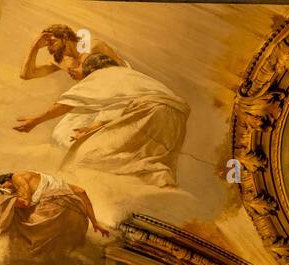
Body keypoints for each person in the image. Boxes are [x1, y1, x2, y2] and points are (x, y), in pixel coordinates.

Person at [13, 55, 189, 186]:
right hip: (177, 116)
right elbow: (119, 108)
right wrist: (93, 127)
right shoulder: (132, 77)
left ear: (93, 69)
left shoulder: (104, 74)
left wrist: (35, 121)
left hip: (150, 111)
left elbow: (67, 103)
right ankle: (160, 187)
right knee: (150, 160)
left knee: (83, 156)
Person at [0, 170, 107, 260]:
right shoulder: (49, 182)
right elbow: (81, 191)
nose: (8, 193)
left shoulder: (17, 177)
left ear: (5, 181)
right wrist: (95, 223)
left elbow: (25, 203)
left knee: (16, 215)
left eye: (4, 190)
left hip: (55, 210)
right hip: (77, 215)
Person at [20, 23, 124, 81]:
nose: (49, 47)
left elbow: (122, 70)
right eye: (47, 44)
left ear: (65, 37)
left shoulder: (93, 45)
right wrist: (34, 47)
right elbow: (27, 75)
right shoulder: (60, 59)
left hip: (122, 84)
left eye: (52, 42)